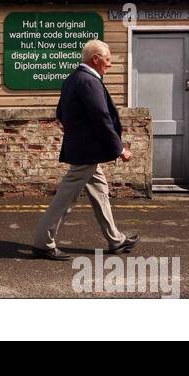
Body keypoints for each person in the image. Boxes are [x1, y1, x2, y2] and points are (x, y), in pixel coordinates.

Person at [30, 39, 140, 260]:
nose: (109, 65)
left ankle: (115, 240)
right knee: (66, 198)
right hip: (87, 151)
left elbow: (61, 112)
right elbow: (102, 118)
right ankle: (43, 242)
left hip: (85, 148)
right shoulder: (89, 81)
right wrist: (119, 149)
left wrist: (76, 132)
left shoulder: (73, 78)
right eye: (107, 60)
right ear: (96, 59)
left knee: (100, 192)